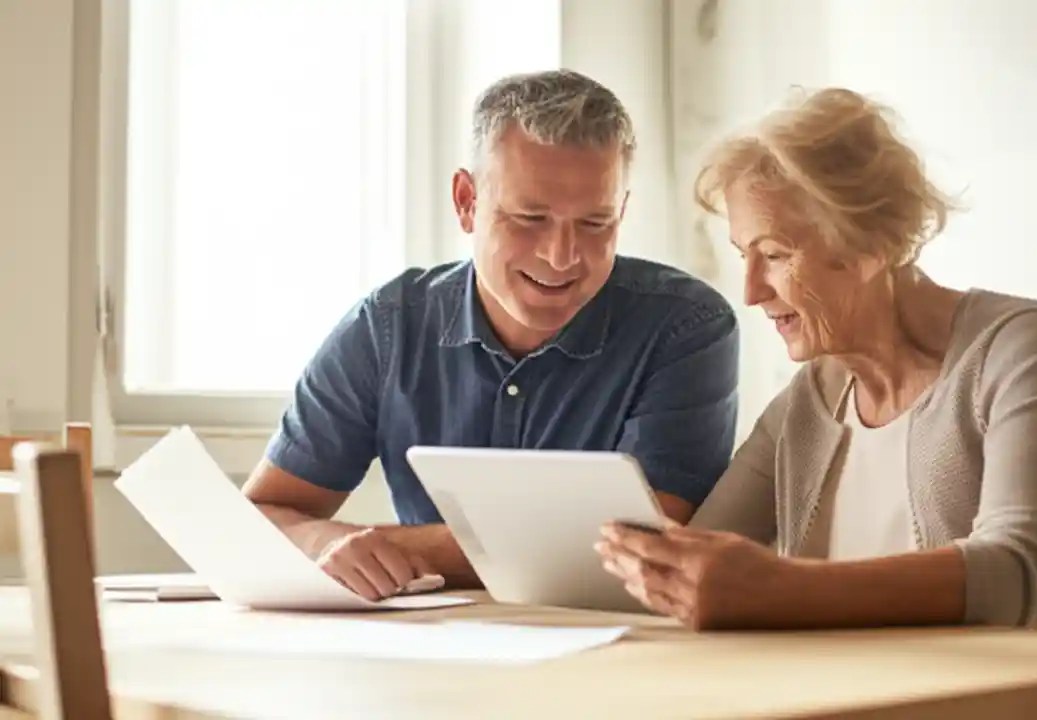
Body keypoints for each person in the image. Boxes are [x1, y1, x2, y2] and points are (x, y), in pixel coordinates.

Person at [596, 87, 1037, 633]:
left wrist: (783, 589)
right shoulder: (811, 401)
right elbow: (694, 557)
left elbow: (1023, 577)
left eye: (773, 254)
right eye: (745, 255)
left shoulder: (1026, 351)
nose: (751, 292)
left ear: (871, 243)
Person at [243, 70, 739, 601]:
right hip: (433, 649)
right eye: (529, 218)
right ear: (465, 201)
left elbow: (638, 548)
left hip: (615, 649)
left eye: (596, 224)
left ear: (621, 211)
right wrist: (323, 542)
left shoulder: (686, 327)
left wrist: (393, 548)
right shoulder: (388, 326)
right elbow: (260, 516)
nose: (562, 256)